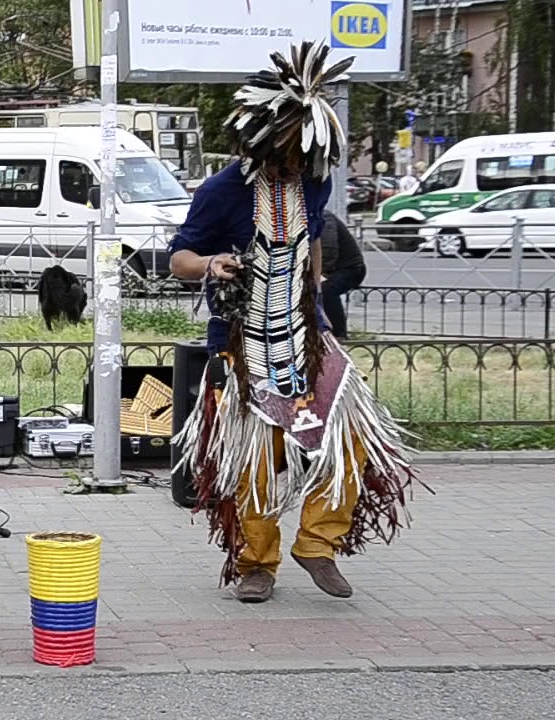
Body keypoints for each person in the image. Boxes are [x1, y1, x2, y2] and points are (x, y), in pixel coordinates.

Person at [168, 41, 421, 604]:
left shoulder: (315, 181)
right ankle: (256, 563)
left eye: (301, 156)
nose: (294, 165)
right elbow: (178, 260)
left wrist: (320, 296)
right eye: (285, 155)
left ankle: (317, 543)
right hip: (242, 343)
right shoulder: (219, 192)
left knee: (350, 438)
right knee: (259, 455)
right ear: (260, 141)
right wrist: (212, 263)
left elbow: (315, 245)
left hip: (309, 333)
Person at [319, 209, 367, 340]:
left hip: (350, 268)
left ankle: (339, 335)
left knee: (325, 289)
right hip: (331, 268)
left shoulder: (323, 217)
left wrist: (320, 274)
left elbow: (328, 249)